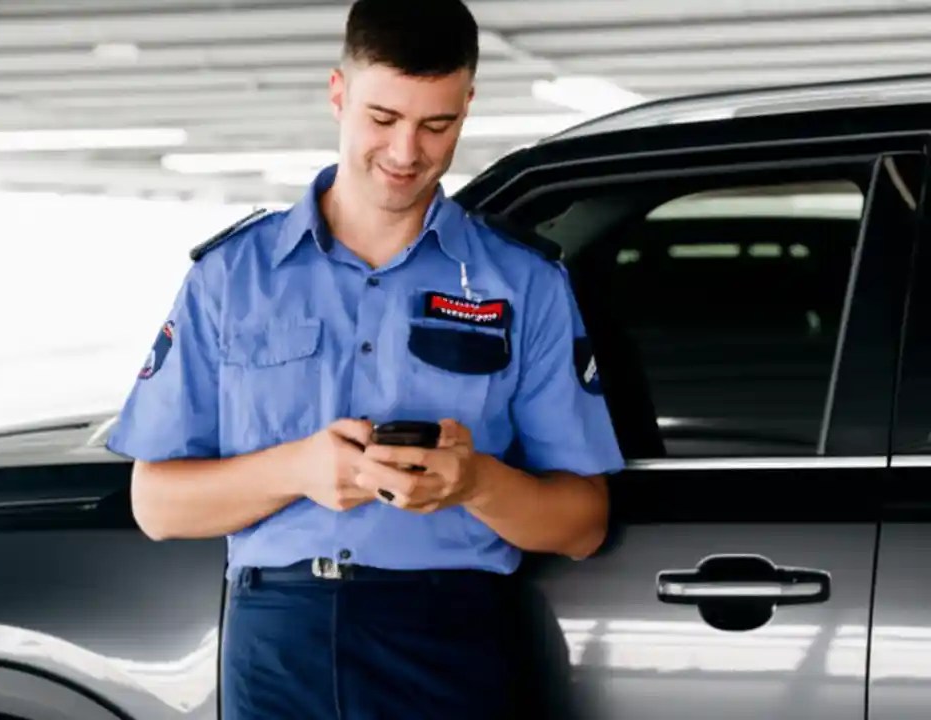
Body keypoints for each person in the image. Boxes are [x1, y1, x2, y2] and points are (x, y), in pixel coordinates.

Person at [105, 0, 624, 717]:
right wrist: (299, 469)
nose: (407, 153)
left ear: (468, 106)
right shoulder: (232, 278)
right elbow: (156, 504)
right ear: (338, 93)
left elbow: (582, 523)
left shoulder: (525, 284)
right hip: (279, 645)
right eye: (383, 119)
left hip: (452, 639)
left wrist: (475, 483)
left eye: (436, 125)